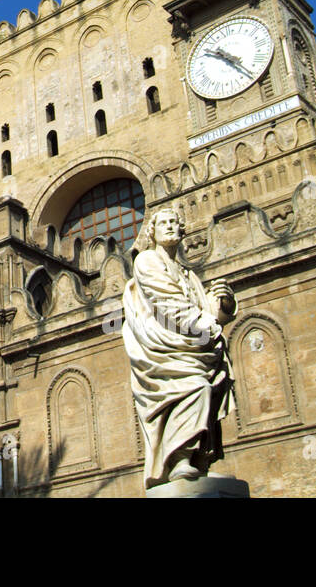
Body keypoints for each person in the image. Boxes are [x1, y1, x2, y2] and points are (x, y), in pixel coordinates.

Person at [122, 207, 236, 487]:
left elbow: (202, 308)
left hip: (193, 344)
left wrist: (224, 306)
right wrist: (208, 324)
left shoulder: (187, 273)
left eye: (175, 222)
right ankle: (180, 458)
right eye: (164, 223)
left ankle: (198, 461)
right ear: (152, 232)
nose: (170, 227)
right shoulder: (147, 261)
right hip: (163, 349)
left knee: (210, 387)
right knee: (195, 387)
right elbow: (169, 305)